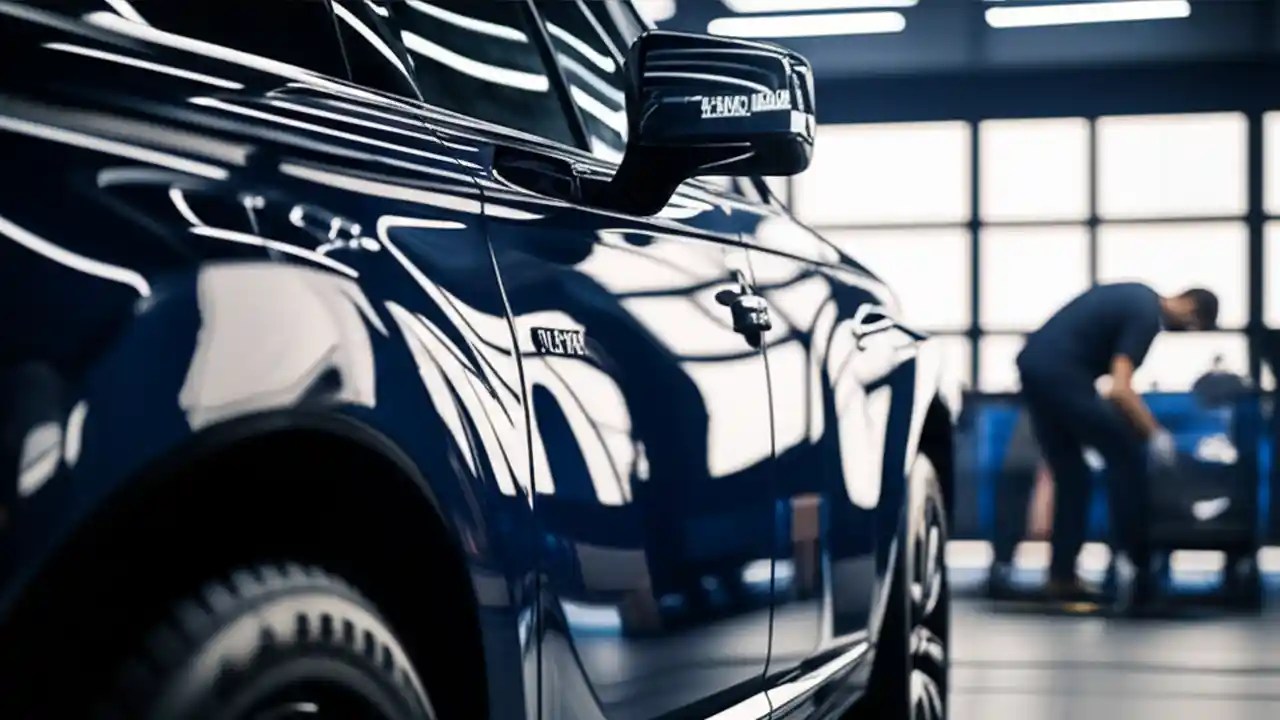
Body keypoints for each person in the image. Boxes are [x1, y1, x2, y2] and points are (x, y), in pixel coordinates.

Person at [989, 283, 1219, 610]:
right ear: (1192, 311)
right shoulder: (1146, 314)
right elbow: (1120, 389)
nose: (1183, 332)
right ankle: (1132, 563)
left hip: (1036, 368)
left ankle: (1062, 577)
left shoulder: (1134, 297)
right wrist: (1154, 434)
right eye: (1192, 328)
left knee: (1072, 474)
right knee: (1126, 455)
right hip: (1060, 375)